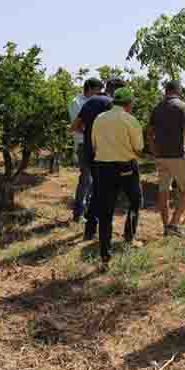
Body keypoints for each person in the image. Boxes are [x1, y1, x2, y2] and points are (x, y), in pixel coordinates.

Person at [90, 87, 144, 270]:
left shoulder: (99, 119)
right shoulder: (130, 120)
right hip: (126, 167)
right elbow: (138, 148)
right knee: (135, 201)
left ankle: (105, 256)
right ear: (129, 104)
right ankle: (129, 236)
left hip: (103, 168)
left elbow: (94, 145)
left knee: (106, 212)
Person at [148, 81, 185, 237]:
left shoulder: (157, 108)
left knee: (163, 191)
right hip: (178, 156)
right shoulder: (182, 107)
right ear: (178, 91)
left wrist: (155, 152)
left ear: (165, 91)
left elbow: (149, 133)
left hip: (161, 156)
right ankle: (174, 224)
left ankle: (166, 226)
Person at [67, 78, 110, 236]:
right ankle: (78, 213)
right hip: (83, 144)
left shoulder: (94, 102)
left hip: (95, 144)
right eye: (97, 90)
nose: (99, 94)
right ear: (90, 88)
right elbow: (78, 125)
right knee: (86, 179)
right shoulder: (76, 102)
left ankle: (88, 212)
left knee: (93, 181)